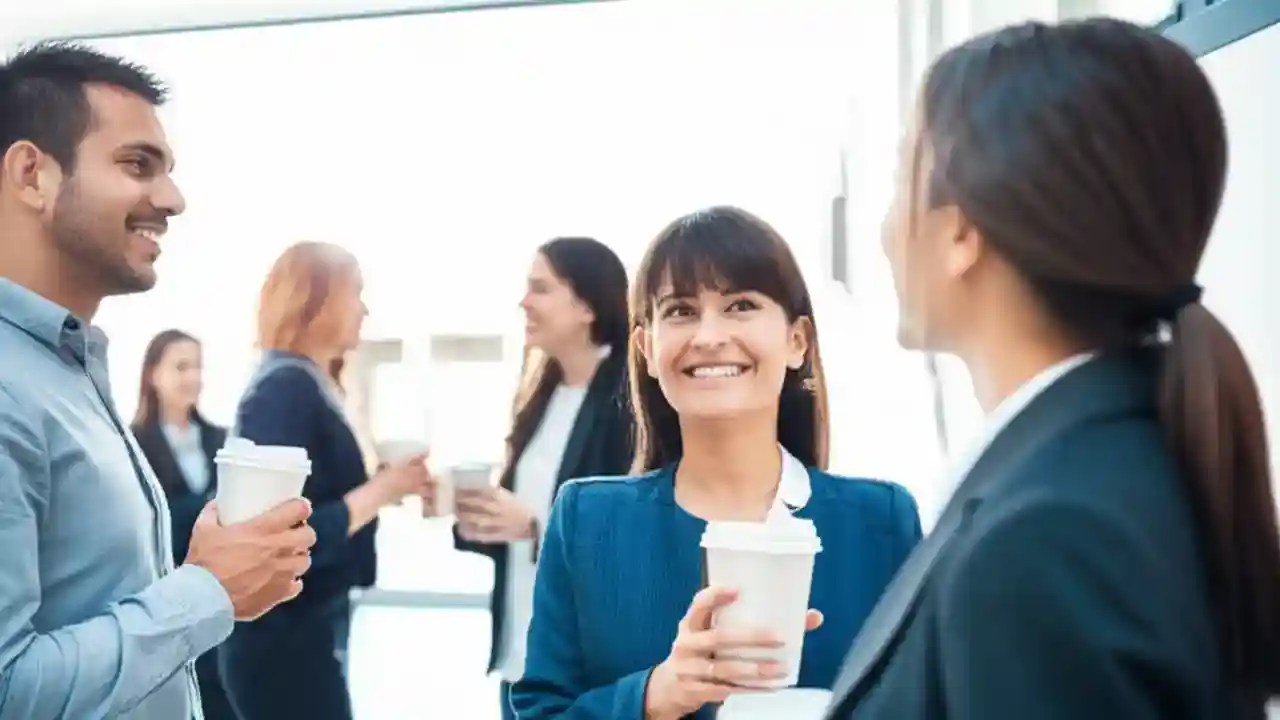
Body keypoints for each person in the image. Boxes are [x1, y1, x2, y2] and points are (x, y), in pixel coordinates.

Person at [824, 18, 1280, 720]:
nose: (884, 229)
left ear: (961, 234)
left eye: (899, 178)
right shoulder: (1130, 460)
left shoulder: (1043, 537)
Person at [0, 43, 315, 720]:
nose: (172, 199)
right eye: (136, 165)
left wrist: (217, 576)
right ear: (32, 174)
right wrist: (208, 590)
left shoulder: (68, 368)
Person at [512, 207, 922, 719]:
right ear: (646, 348)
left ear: (798, 341)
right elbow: (535, 711)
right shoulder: (587, 519)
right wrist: (653, 696)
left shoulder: (879, 522)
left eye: (740, 305)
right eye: (680, 311)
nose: (708, 336)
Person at [423, 236, 635, 720]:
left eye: (540, 288)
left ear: (585, 304)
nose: (524, 302)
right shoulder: (543, 396)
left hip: (587, 668)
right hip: (521, 660)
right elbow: (520, 523)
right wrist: (473, 513)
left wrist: (538, 527)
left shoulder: (629, 403)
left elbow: (635, 531)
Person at [218, 241, 431, 720]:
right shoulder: (285, 388)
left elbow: (321, 497)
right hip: (281, 640)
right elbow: (270, 530)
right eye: (355, 292)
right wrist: (382, 491)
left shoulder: (309, 383)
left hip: (303, 630)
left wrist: (390, 484)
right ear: (314, 300)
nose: (366, 309)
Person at [129, 329, 236, 720]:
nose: (193, 376)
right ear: (153, 375)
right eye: (181, 366)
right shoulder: (133, 443)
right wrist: (207, 506)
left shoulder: (223, 441)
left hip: (227, 597)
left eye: (198, 366)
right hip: (168, 600)